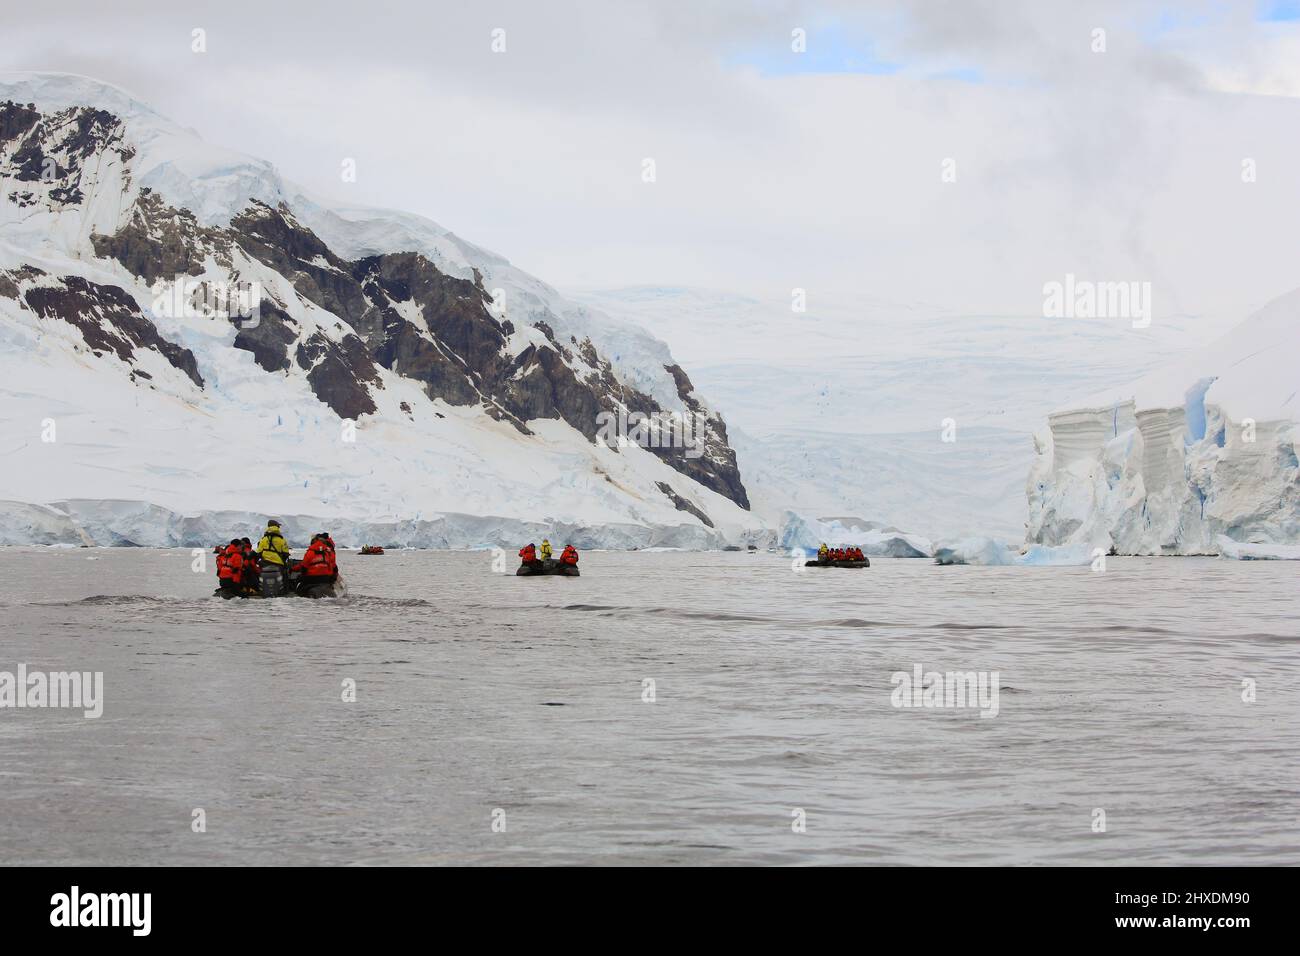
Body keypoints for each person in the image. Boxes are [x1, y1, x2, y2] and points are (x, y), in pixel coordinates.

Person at [257, 520, 291, 594]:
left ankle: (261, 590)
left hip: (265, 564)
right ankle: (285, 591)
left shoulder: (263, 539)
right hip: (278, 564)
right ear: (277, 527)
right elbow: (285, 553)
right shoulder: (281, 540)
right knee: (285, 574)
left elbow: (259, 552)